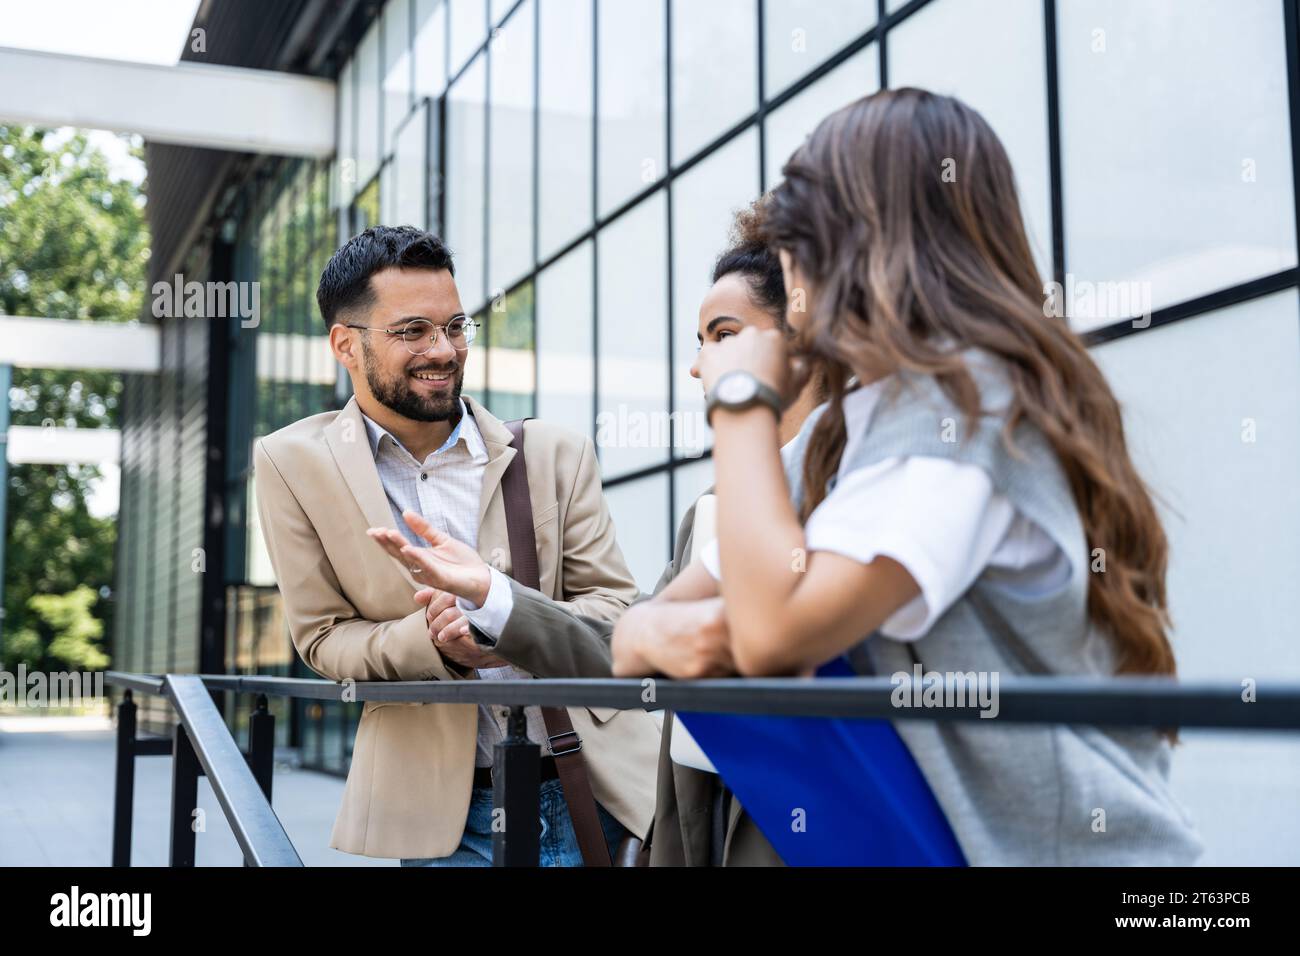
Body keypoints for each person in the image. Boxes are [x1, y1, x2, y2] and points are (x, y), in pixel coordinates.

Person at [652, 87, 1202, 864]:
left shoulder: (969, 412)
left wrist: (740, 401)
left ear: (872, 237)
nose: (787, 261)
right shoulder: (862, 424)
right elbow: (656, 621)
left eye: (805, 233)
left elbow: (769, 633)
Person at [387, 202, 821, 864]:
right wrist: (491, 594)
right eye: (699, 342)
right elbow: (628, 645)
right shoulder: (709, 511)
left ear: (805, 333)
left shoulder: (859, 507)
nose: (699, 369)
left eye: (722, 334)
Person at [252, 225, 661, 866]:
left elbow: (616, 615)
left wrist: (505, 618)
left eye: (455, 326)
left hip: (597, 788)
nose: (443, 350)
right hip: (443, 816)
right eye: (412, 331)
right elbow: (322, 637)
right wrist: (432, 645)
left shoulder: (555, 453)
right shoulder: (290, 464)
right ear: (345, 345)